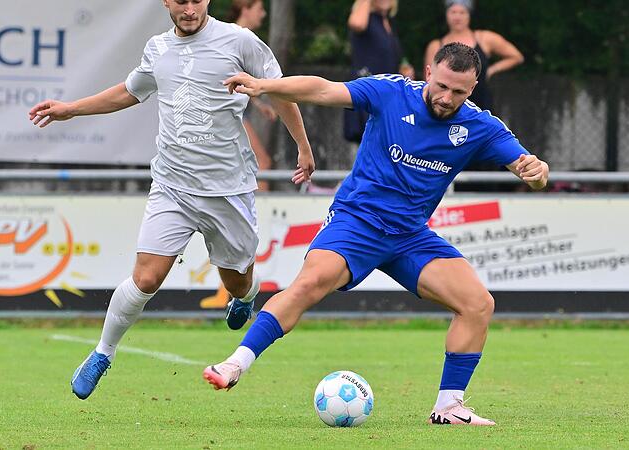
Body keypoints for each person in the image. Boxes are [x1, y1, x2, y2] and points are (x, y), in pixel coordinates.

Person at [203, 43, 549, 426]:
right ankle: (235, 363)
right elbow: (321, 89)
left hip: (410, 236)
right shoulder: (390, 93)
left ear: (473, 87)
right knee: (309, 284)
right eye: (443, 86)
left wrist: (536, 172)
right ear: (429, 70)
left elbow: (527, 166)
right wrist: (264, 85)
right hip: (358, 221)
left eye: (460, 92)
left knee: (478, 304)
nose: (448, 98)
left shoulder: (479, 125)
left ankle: (448, 407)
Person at [28, 0, 315, 400]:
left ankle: (246, 297)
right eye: (180, 1)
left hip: (226, 190)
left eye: (196, 0)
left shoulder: (239, 41)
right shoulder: (157, 48)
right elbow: (129, 92)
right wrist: (71, 110)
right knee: (146, 277)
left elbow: (281, 92)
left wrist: (302, 145)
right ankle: (101, 353)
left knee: (237, 280)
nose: (190, 9)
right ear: (167, 2)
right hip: (172, 186)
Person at [424, 0, 523, 112]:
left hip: (481, 103)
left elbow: (516, 56)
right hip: (447, 106)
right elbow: (428, 81)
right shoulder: (435, 46)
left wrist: (491, 70)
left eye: (462, 12)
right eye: (453, 12)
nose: (457, 17)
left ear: (469, 15)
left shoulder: (484, 38)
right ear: (446, 14)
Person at [344, 0, 414, 143]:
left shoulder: (388, 22)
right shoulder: (365, 18)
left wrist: (403, 71)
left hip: (386, 93)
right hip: (367, 90)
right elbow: (356, 24)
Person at [229, 0, 278, 191]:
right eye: (260, 9)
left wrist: (259, 104)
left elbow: (239, 79)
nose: (263, 14)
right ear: (245, 9)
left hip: (240, 112)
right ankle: (261, 217)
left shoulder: (240, 38)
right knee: (262, 162)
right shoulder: (235, 38)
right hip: (233, 114)